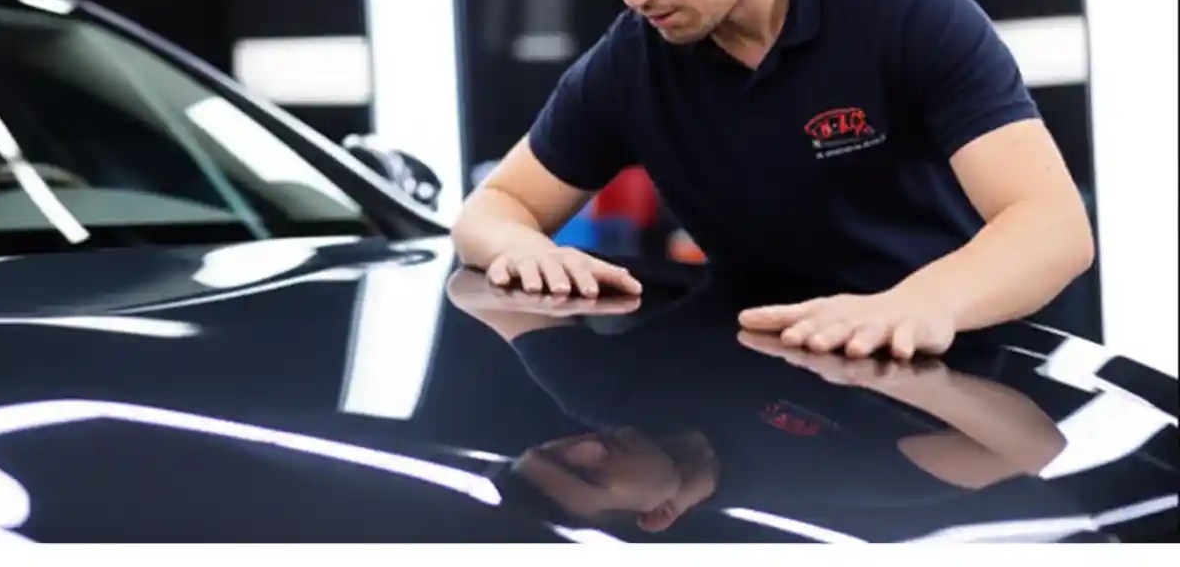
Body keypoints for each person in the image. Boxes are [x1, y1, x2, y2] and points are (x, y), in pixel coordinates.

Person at [450, 0, 1096, 361]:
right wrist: (522, 246)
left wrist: (916, 306)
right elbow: (495, 206)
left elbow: (1053, 228)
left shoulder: (902, 5)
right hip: (766, 389)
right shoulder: (631, 61)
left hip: (950, 377)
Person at [445, 267, 1074, 539]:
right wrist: (894, 376)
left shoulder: (601, 390)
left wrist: (547, 281)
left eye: (554, 450)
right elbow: (1035, 447)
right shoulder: (818, 486)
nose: (587, 448)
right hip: (949, 264)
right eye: (589, 475)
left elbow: (466, 290)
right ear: (656, 516)